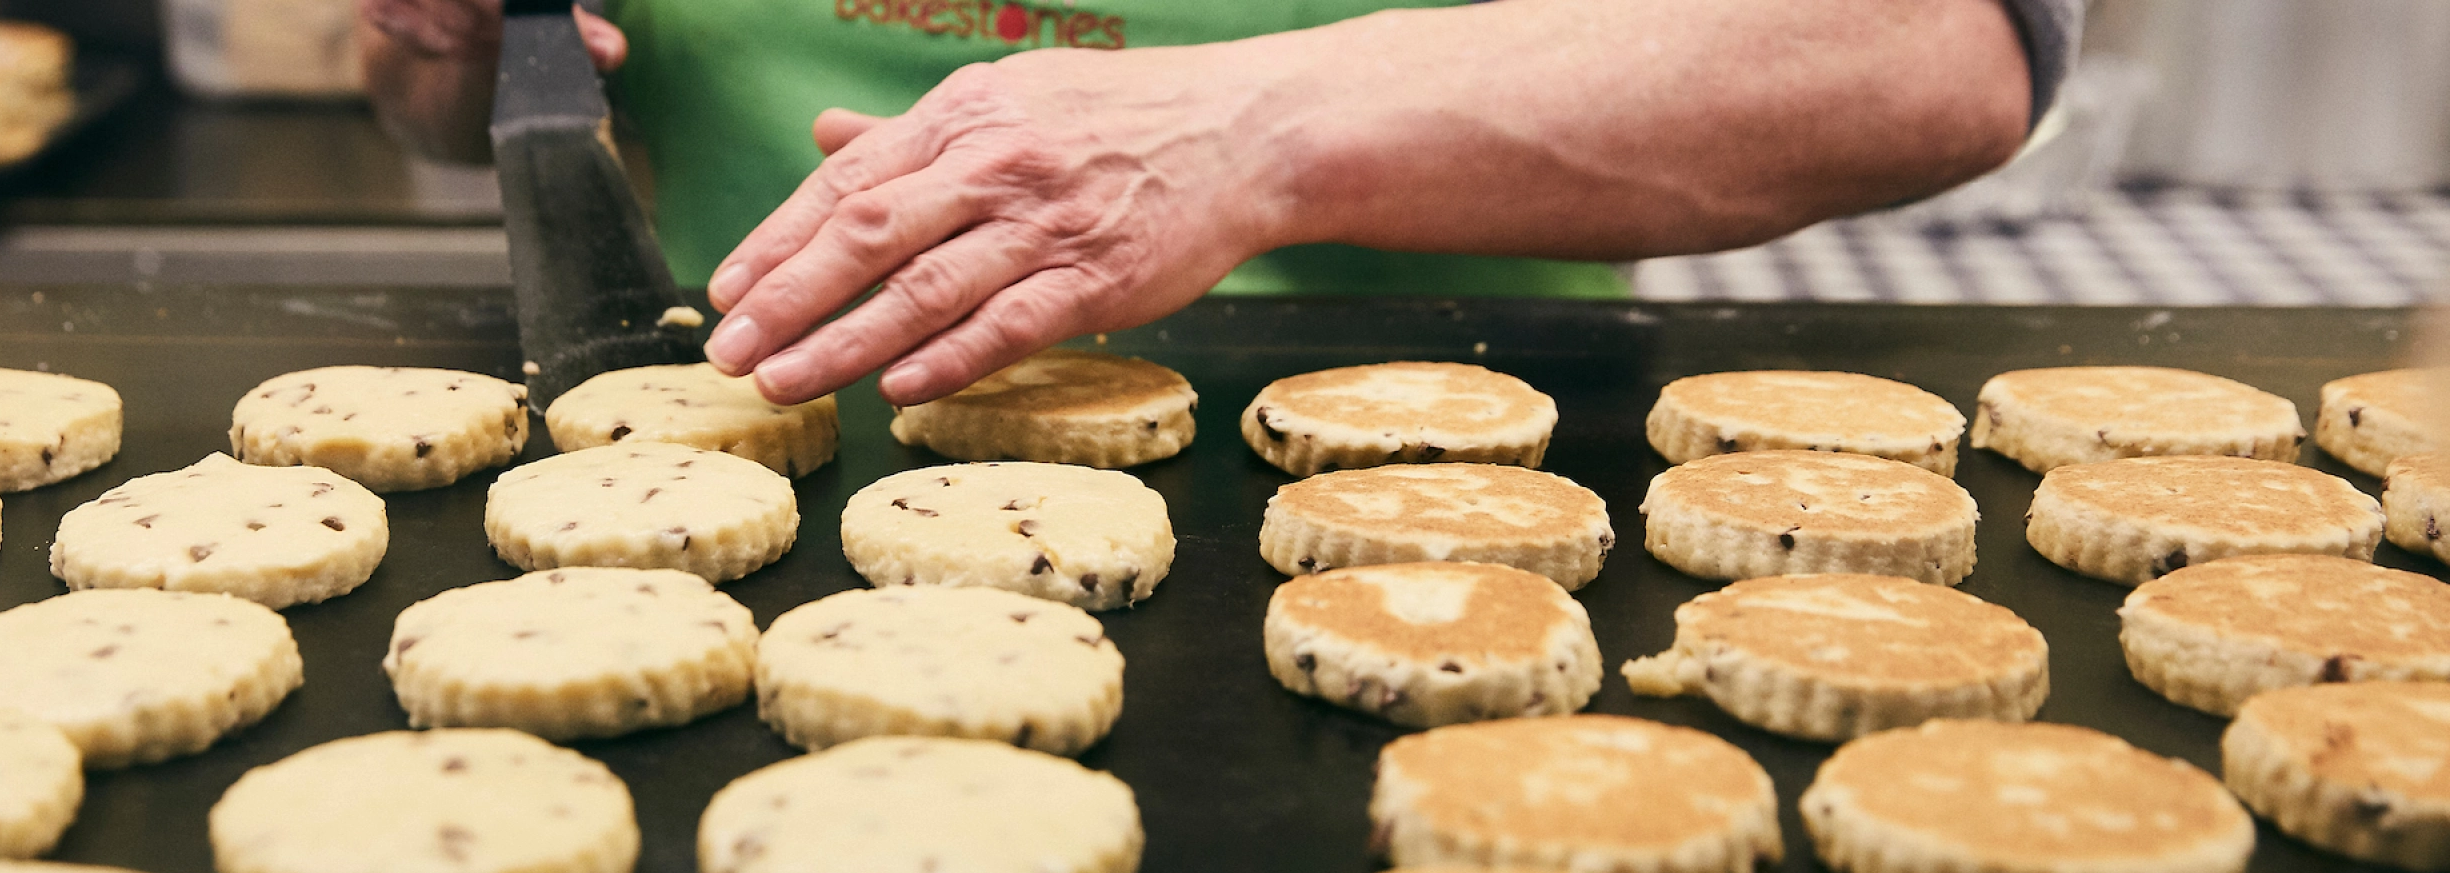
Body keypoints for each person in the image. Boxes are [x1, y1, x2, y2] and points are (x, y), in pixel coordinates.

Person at [363, 0, 2083, 405]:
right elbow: (449, 106)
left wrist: (1259, 130)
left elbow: (1941, 45)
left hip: (1453, 493)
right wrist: (448, 50)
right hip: (737, 471)